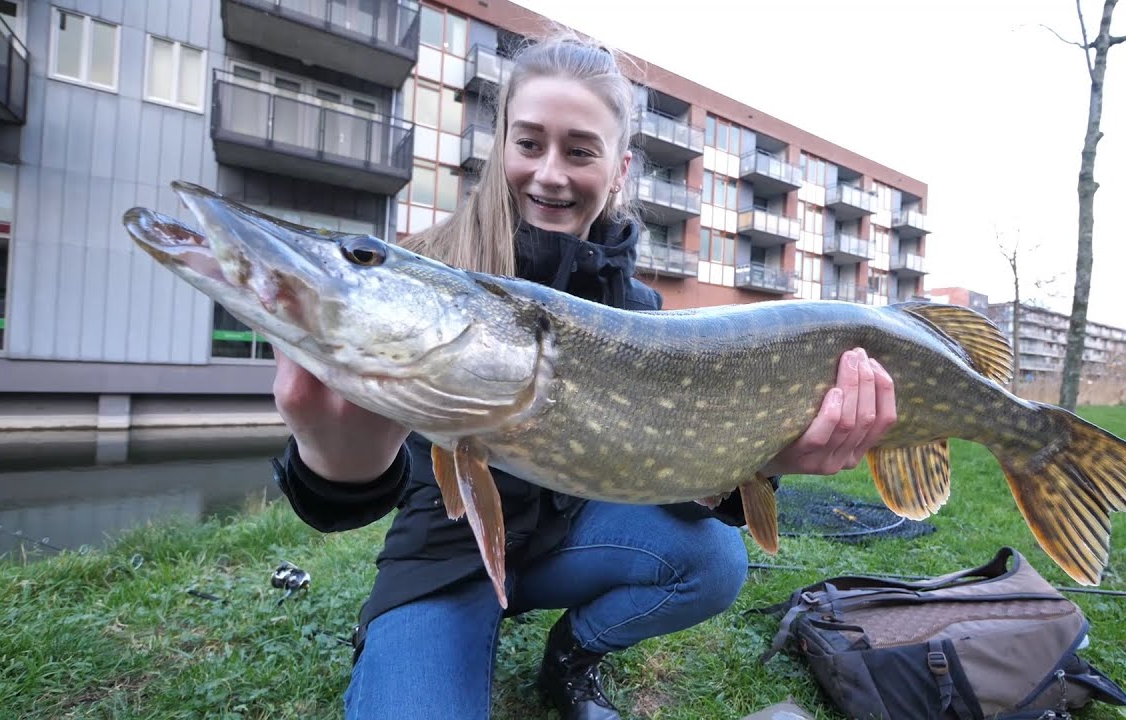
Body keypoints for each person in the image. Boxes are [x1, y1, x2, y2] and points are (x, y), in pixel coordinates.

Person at [270, 32, 898, 720]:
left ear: (620, 168)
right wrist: (337, 463)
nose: (550, 173)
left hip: (564, 540)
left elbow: (679, 488)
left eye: (580, 151)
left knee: (714, 558)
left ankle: (572, 653)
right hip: (442, 560)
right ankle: (413, 637)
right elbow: (335, 502)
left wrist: (765, 456)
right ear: (501, 144)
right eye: (530, 143)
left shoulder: (639, 310)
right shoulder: (428, 272)